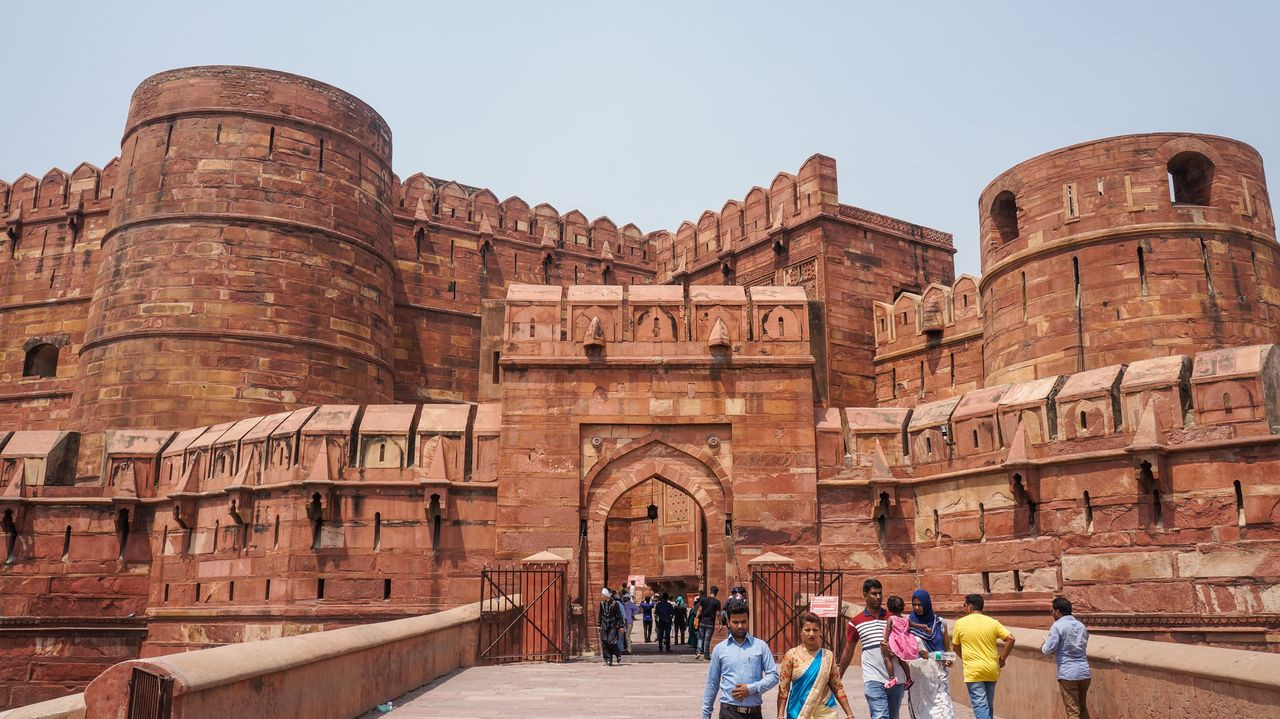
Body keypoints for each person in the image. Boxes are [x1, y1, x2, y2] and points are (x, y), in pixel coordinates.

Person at [838, 578, 905, 719]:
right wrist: (839, 676)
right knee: (880, 716)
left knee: (893, 716)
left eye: (880, 593)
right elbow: (848, 651)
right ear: (864, 595)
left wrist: (893, 650)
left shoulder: (892, 617)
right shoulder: (855, 622)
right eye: (874, 594)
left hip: (896, 678)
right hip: (873, 678)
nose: (878, 597)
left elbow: (904, 643)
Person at [701, 602, 779, 719]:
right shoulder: (720, 649)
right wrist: (706, 715)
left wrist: (751, 689)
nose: (740, 626)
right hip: (729, 712)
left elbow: (773, 676)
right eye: (735, 622)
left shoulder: (760, 646)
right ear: (728, 622)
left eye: (743, 622)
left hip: (754, 713)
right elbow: (712, 684)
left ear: (748, 621)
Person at [777, 611, 855, 719]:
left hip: (826, 712)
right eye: (807, 630)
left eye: (815, 630)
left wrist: (849, 714)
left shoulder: (827, 656)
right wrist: (780, 715)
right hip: (798, 712)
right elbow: (783, 689)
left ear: (820, 632)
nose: (811, 634)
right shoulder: (791, 656)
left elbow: (837, 687)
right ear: (801, 632)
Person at [951, 594, 1015, 719]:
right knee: (988, 705)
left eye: (964, 605)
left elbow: (955, 646)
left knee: (980, 705)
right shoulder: (993, 623)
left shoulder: (960, 623)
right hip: (991, 669)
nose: (964, 608)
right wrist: (1002, 658)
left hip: (973, 670)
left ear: (970, 606)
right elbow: (1011, 639)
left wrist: (965, 658)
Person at [906, 589, 956, 719]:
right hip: (918, 678)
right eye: (914, 605)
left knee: (943, 713)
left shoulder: (940, 623)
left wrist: (933, 656)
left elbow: (949, 654)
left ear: (927, 604)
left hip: (938, 678)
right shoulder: (908, 625)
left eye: (920, 604)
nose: (917, 608)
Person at [1042, 597, 1091, 719]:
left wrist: (1043, 644)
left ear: (1057, 612)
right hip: (1084, 672)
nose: (1052, 614)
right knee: (1082, 707)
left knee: (1073, 712)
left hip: (1068, 673)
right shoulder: (1081, 626)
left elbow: (1048, 650)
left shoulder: (1057, 626)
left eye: (1052, 611)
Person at [881, 596, 914, 690]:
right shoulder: (906, 619)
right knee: (902, 661)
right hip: (903, 643)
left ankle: (892, 678)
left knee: (887, 658)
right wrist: (924, 627)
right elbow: (914, 625)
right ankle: (909, 678)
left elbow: (888, 630)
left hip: (894, 643)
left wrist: (885, 640)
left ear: (889, 608)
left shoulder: (891, 618)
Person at [597, 587, 624, 666]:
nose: (602, 596)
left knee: (611, 642)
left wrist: (621, 626)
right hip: (604, 624)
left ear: (606, 595)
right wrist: (599, 624)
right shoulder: (602, 603)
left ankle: (618, 654)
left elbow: (619, 615)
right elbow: (600, 614)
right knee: (604, 642)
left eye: (603, 595)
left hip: (612, 624)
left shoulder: (615, 603)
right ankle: (608, 659)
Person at [696, 586, 722, 660]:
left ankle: (698, 651)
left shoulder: (703, 599)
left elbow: (700, 610)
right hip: (710, 623)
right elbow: (718, 614)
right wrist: (720, 623)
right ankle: (706, 654)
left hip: (702, 621)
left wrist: (696, 618)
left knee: (700, 637)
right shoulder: (717, 602)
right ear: (716, 592)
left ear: (710, 591)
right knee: (707, 639)